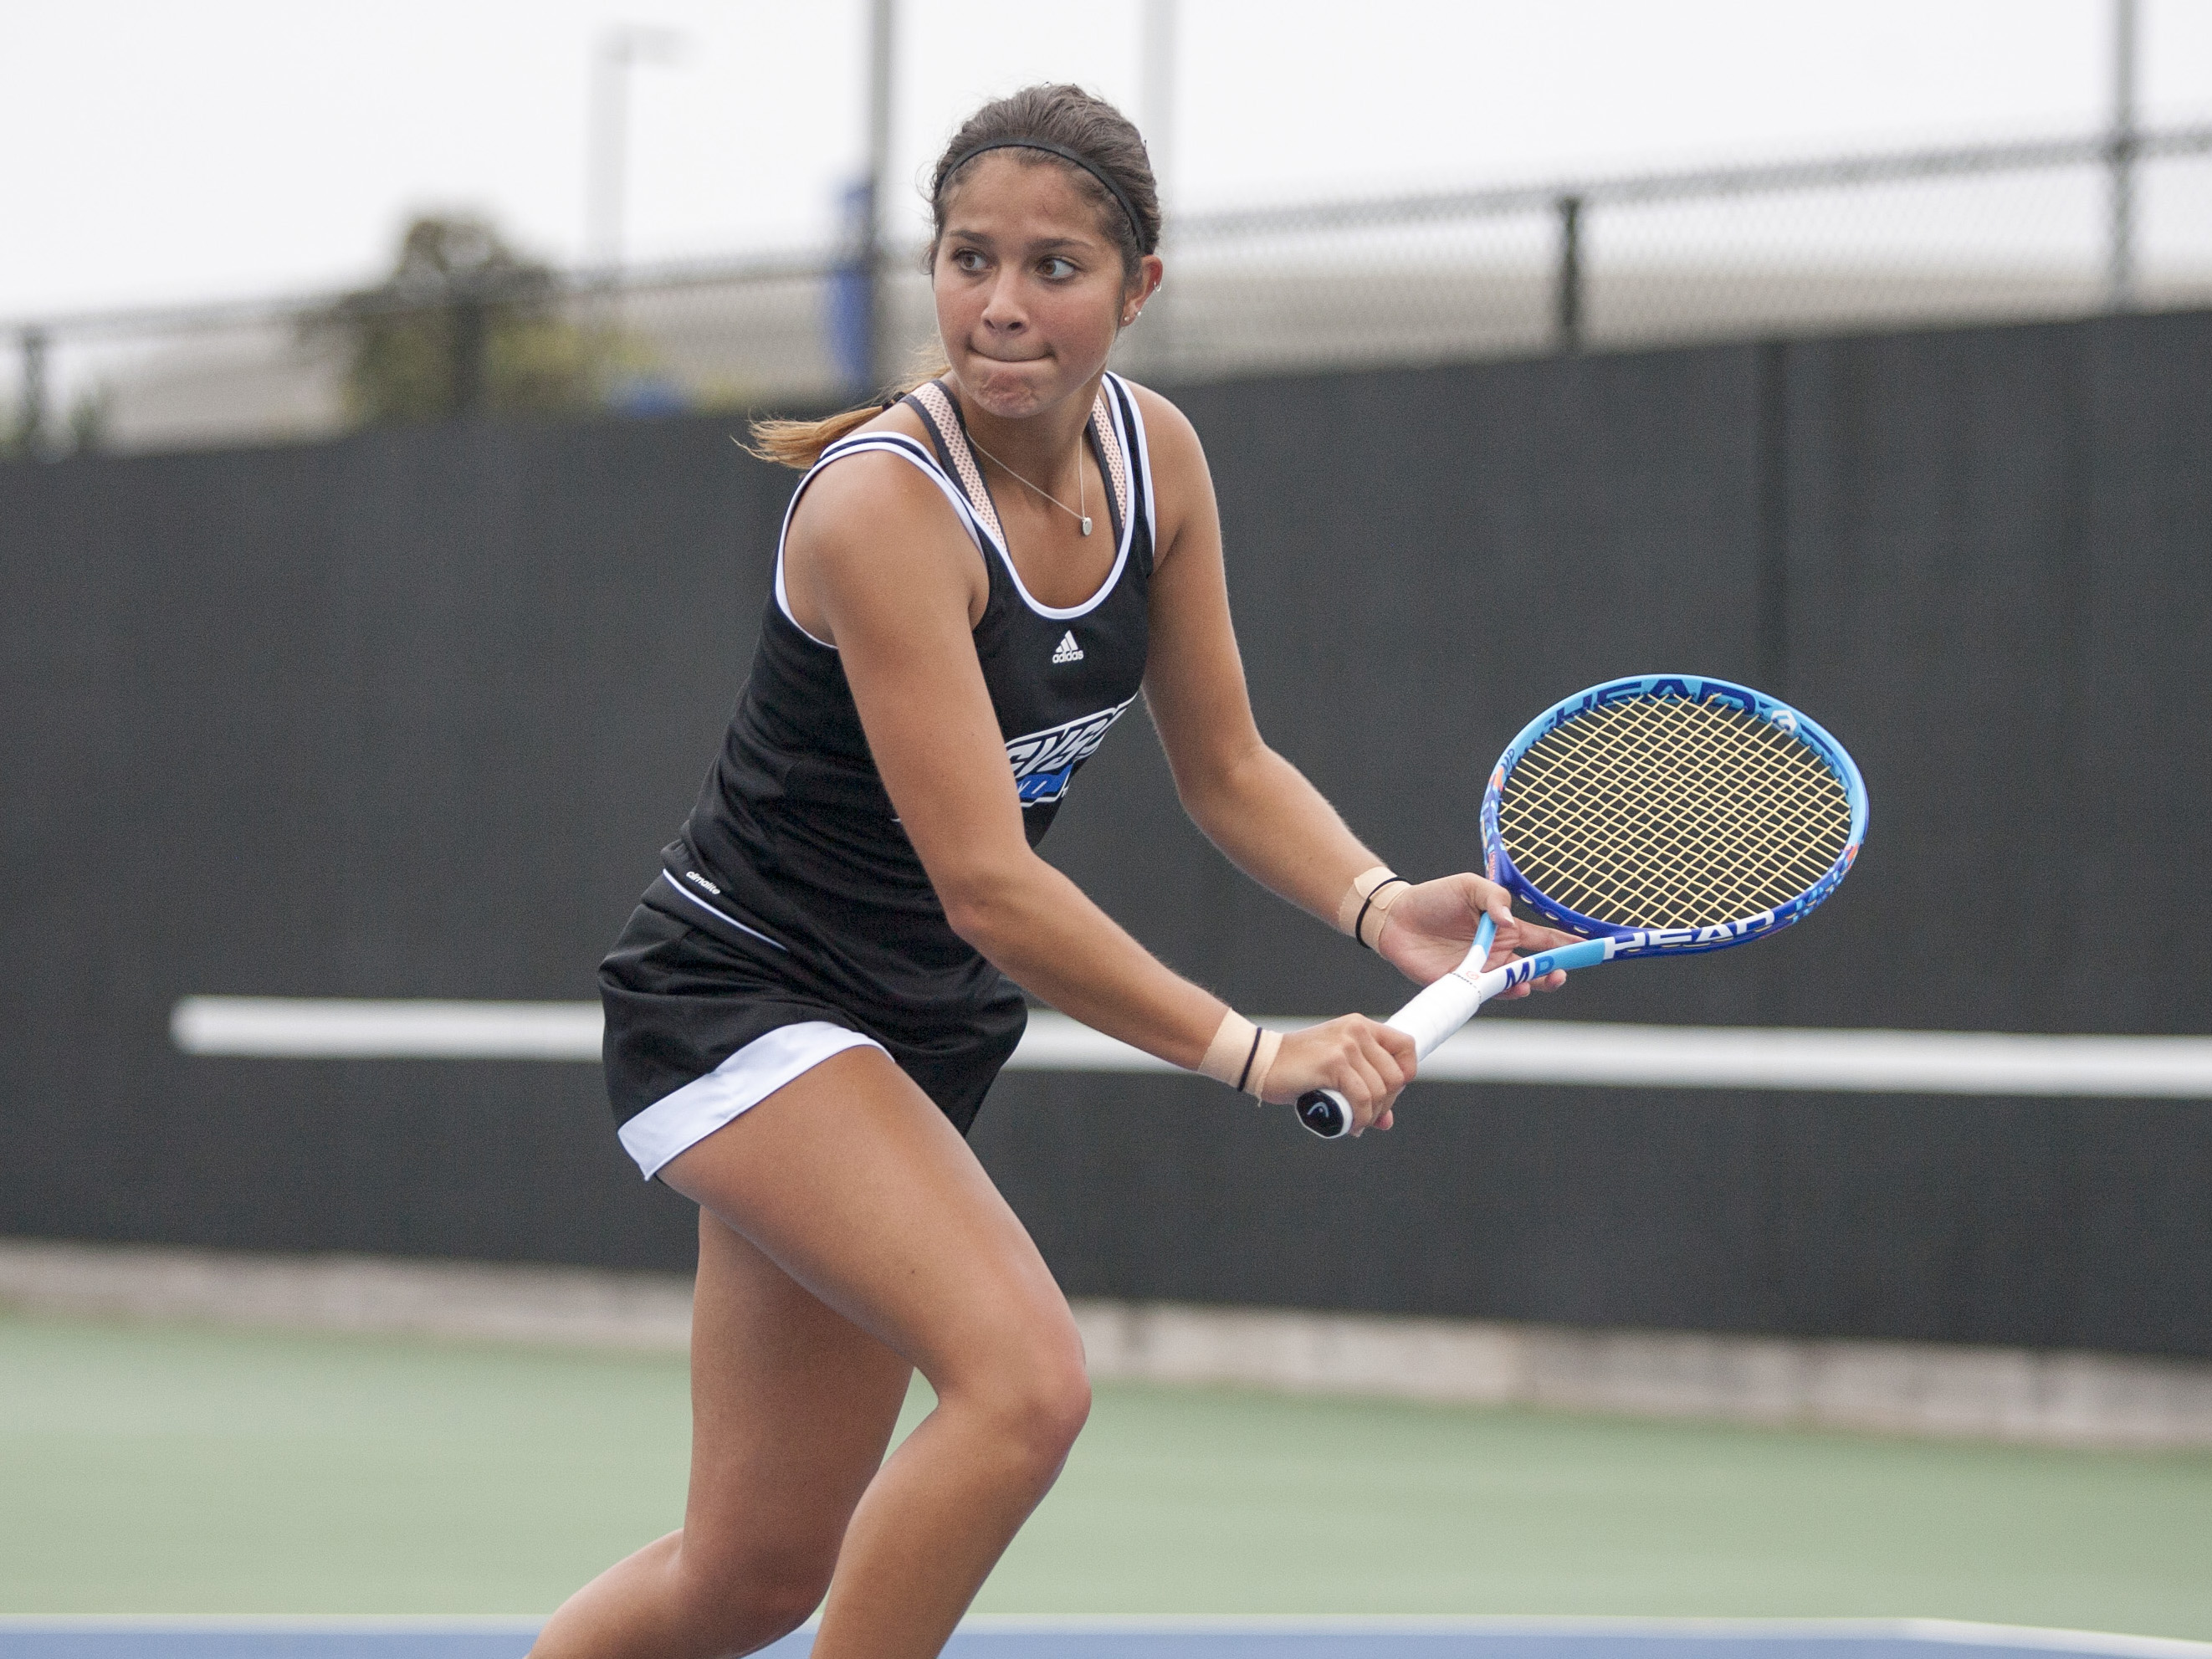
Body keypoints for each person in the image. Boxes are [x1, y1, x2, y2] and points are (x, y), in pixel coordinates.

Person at [531, 83, 1571, 1659]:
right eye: (968, 259)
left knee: (749, 1575)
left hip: (911, 1031)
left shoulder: (1160, 457)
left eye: (1055, 268)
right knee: (1026, 1387)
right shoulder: (887, 507)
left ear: (1137, 287)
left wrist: (1376, 901)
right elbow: (991, 889)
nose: (1002, 307)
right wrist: (1254, 1051)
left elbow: (1226, 765)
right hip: (743, 1004)